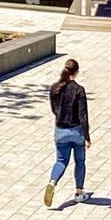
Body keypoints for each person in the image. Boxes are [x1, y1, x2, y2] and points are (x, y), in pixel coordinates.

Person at [44, 59, 90, 206]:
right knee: (80, 162)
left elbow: (54, 110)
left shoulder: (54, 88)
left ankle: (52, 182)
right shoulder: (79, 90)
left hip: (60, 131)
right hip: (76, 132)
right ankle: (79, 193)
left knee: (61, 161)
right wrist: (87, 137)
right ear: (76, 72)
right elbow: (83, 116)